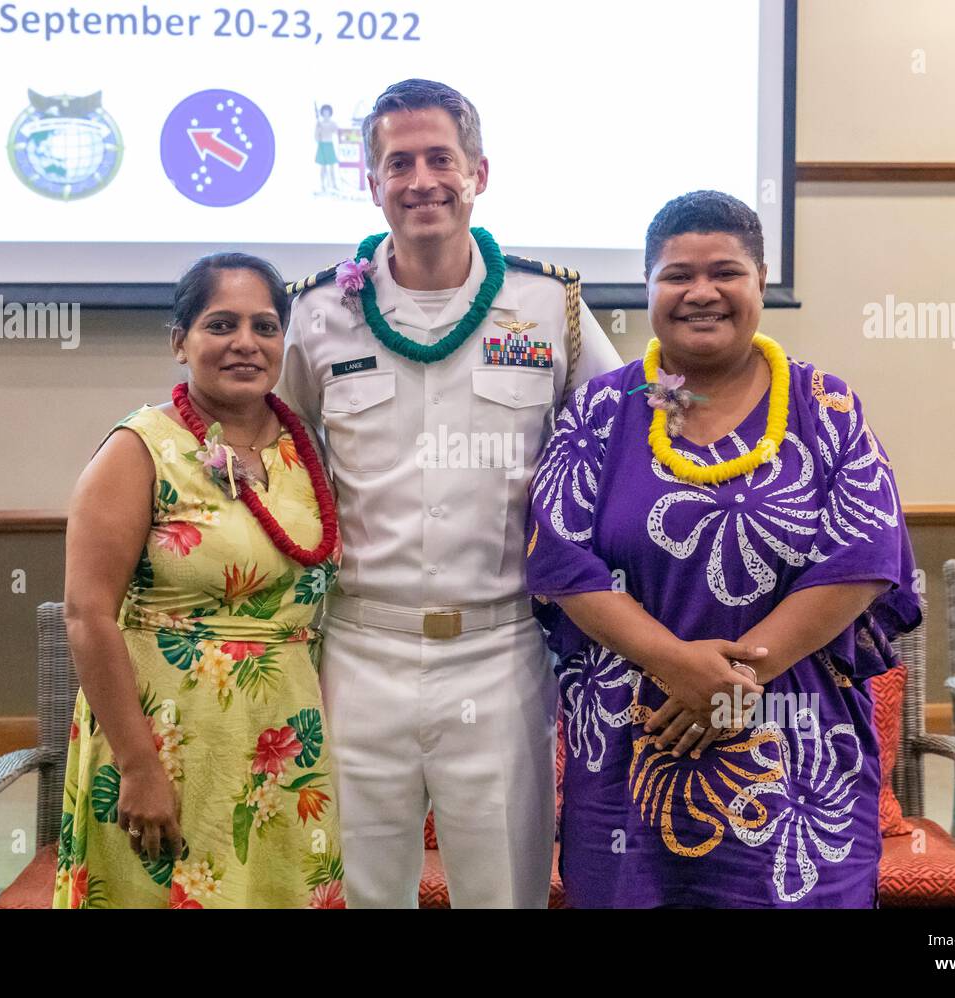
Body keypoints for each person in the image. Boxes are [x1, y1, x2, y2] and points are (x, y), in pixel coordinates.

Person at [276, 78, 622, 908]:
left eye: (441, 158)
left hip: (499, 652)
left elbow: (620, 446)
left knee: (503, 889)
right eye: (399, 162)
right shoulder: (321, 310)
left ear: (480, 173)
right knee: (361, 888)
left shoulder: (549, 306)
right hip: (361, 651)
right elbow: (279, 456)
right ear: (371, 184)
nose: (421, 179)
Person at [526, 190, 921, 908]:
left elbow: (864, 557)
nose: (701, 292)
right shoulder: (599, 410)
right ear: (646, 287)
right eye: (677, 274)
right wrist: (677, 666)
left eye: (725, 272)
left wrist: (730, 686)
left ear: (760, 283)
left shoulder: (826, 407)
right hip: (631, 745)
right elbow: (559, 561)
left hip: (799, 750)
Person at [54, 253, 346, 909]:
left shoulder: (309, 448)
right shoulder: (139, 448)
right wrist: (136, 765)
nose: (245, 343)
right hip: (161, 744)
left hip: (283, 744)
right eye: (221, 324)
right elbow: (86, 615)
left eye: (265, 327)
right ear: (179, 341)